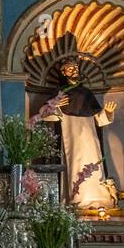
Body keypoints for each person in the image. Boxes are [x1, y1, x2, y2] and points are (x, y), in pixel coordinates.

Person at [42, 58, 116, 207]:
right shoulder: (59, 92)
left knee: (94, 161)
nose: (74, 70)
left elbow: (98, 118)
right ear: (63, 72)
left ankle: (98, 199)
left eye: (76, 68)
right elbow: (46, 116)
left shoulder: (87, 92)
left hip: (89, 131)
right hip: (69, 129)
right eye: (70, 68)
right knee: (75, 161)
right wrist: (54, 106)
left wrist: (107, 112)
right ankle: (76, 199)